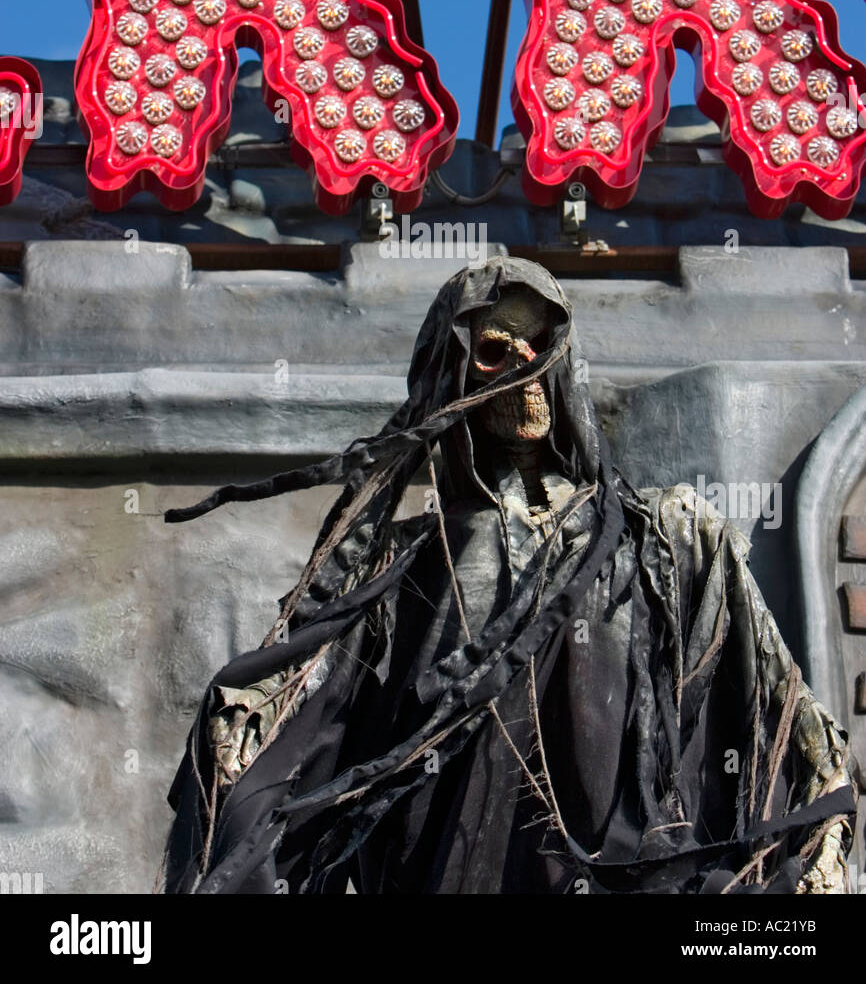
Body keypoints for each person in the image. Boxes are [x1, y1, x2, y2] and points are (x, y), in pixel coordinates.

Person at [160, 256, 857, 895]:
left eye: (538, 345)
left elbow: (793, 723)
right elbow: (285, 717)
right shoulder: (394, 568)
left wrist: (823, 851)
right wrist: (235, 739)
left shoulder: (674, 539)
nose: (523, 364)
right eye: (494, 350)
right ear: (454, 376)